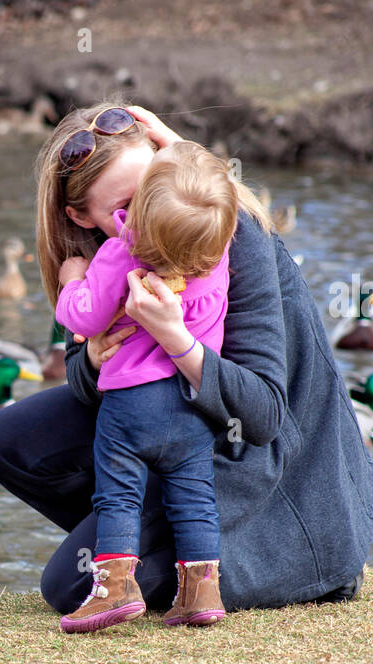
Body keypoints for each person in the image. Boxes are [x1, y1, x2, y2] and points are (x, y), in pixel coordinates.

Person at [0, 102, 373, 617]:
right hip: (159, 420)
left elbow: (262, 415)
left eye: (154, 186)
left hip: (267, 466)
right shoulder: (100, 254)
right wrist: (94, 361)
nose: (154, 215)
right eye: (129, 203)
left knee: (66, 586)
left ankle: (213, 554)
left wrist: (173, 338)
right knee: (3, 441)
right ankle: (134, 533)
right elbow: (81, 375)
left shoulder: (229, 235)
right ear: (82, 217)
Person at [55, 133, 241, 632]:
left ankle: (114, 590)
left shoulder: (122, 249)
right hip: (192, 402)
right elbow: (213, 197)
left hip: (132, 403)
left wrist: (72, 277)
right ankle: (200, 595)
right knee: (194, 497)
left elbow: (86, 317)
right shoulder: (216, 245)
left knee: (118, 496)